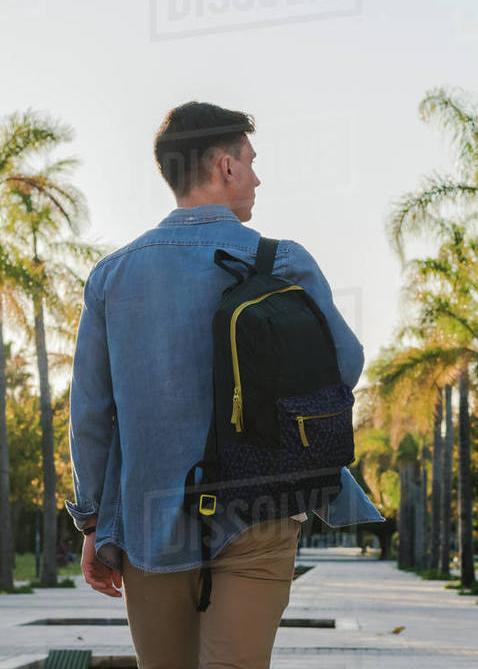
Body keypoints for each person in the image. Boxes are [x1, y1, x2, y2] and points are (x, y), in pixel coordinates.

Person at [65, 101, 383, 668]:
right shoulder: (280, 262)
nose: (257, 177)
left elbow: (91, 415)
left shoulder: (113, 276)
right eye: (251, 161)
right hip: (259, 512)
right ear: (226, 167)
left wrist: (93, 522)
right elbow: (345, 367)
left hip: (148, 524)